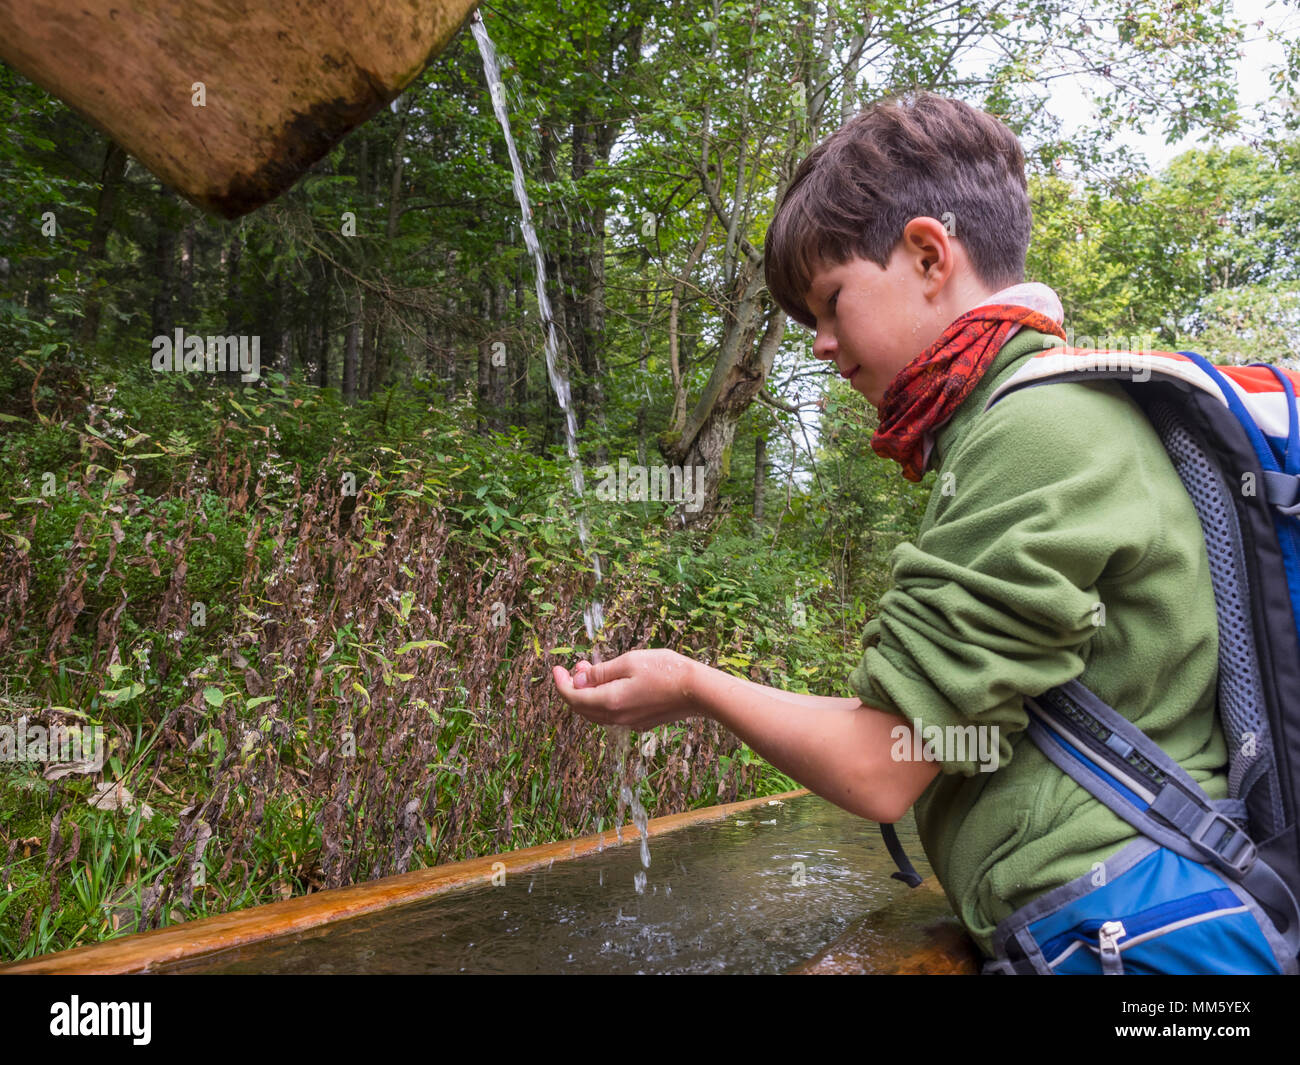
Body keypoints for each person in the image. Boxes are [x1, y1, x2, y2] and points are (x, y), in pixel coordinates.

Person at [551, 92, 1292, 974]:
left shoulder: (1037, 433)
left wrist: (693, 685)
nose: (821, 345)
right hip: (1119, 924)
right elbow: (921, 732)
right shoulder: (1042, 413)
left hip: (1134, 950)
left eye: (830, 303)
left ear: (929, 254)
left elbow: (881, 766)